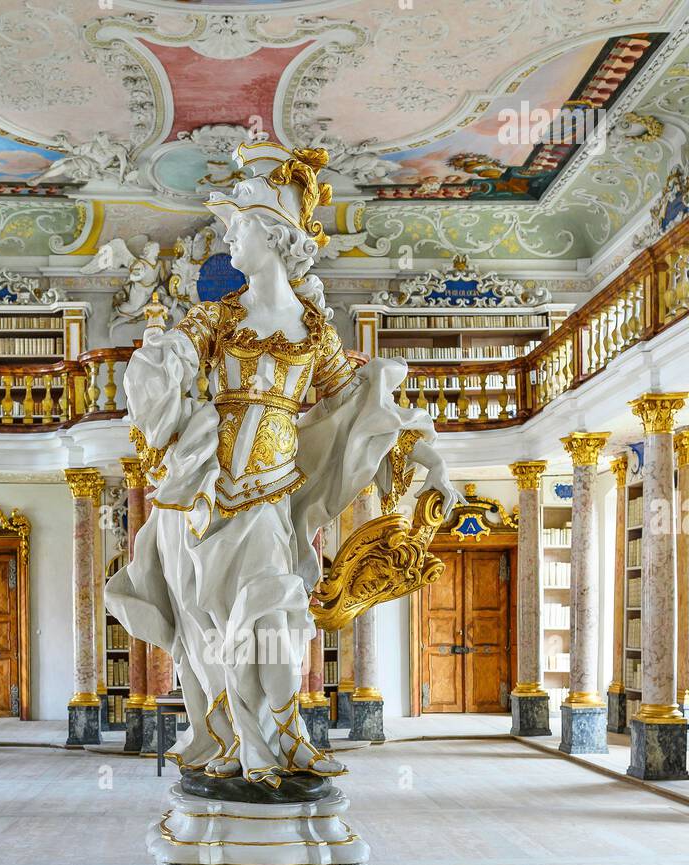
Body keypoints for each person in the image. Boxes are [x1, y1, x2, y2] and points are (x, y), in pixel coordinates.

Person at [107, 140, 461, 788]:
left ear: (269, 235)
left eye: (237, 229)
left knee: (277, 623)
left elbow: (358, 404)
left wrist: (422, 448)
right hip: (209, 499)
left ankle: (281, 737)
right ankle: (250, 748)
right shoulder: (215, 317)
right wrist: (159, 360)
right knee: (215, 637)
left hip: (272, 501)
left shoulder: (314, 334)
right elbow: (167, 373)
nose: (228, 241)